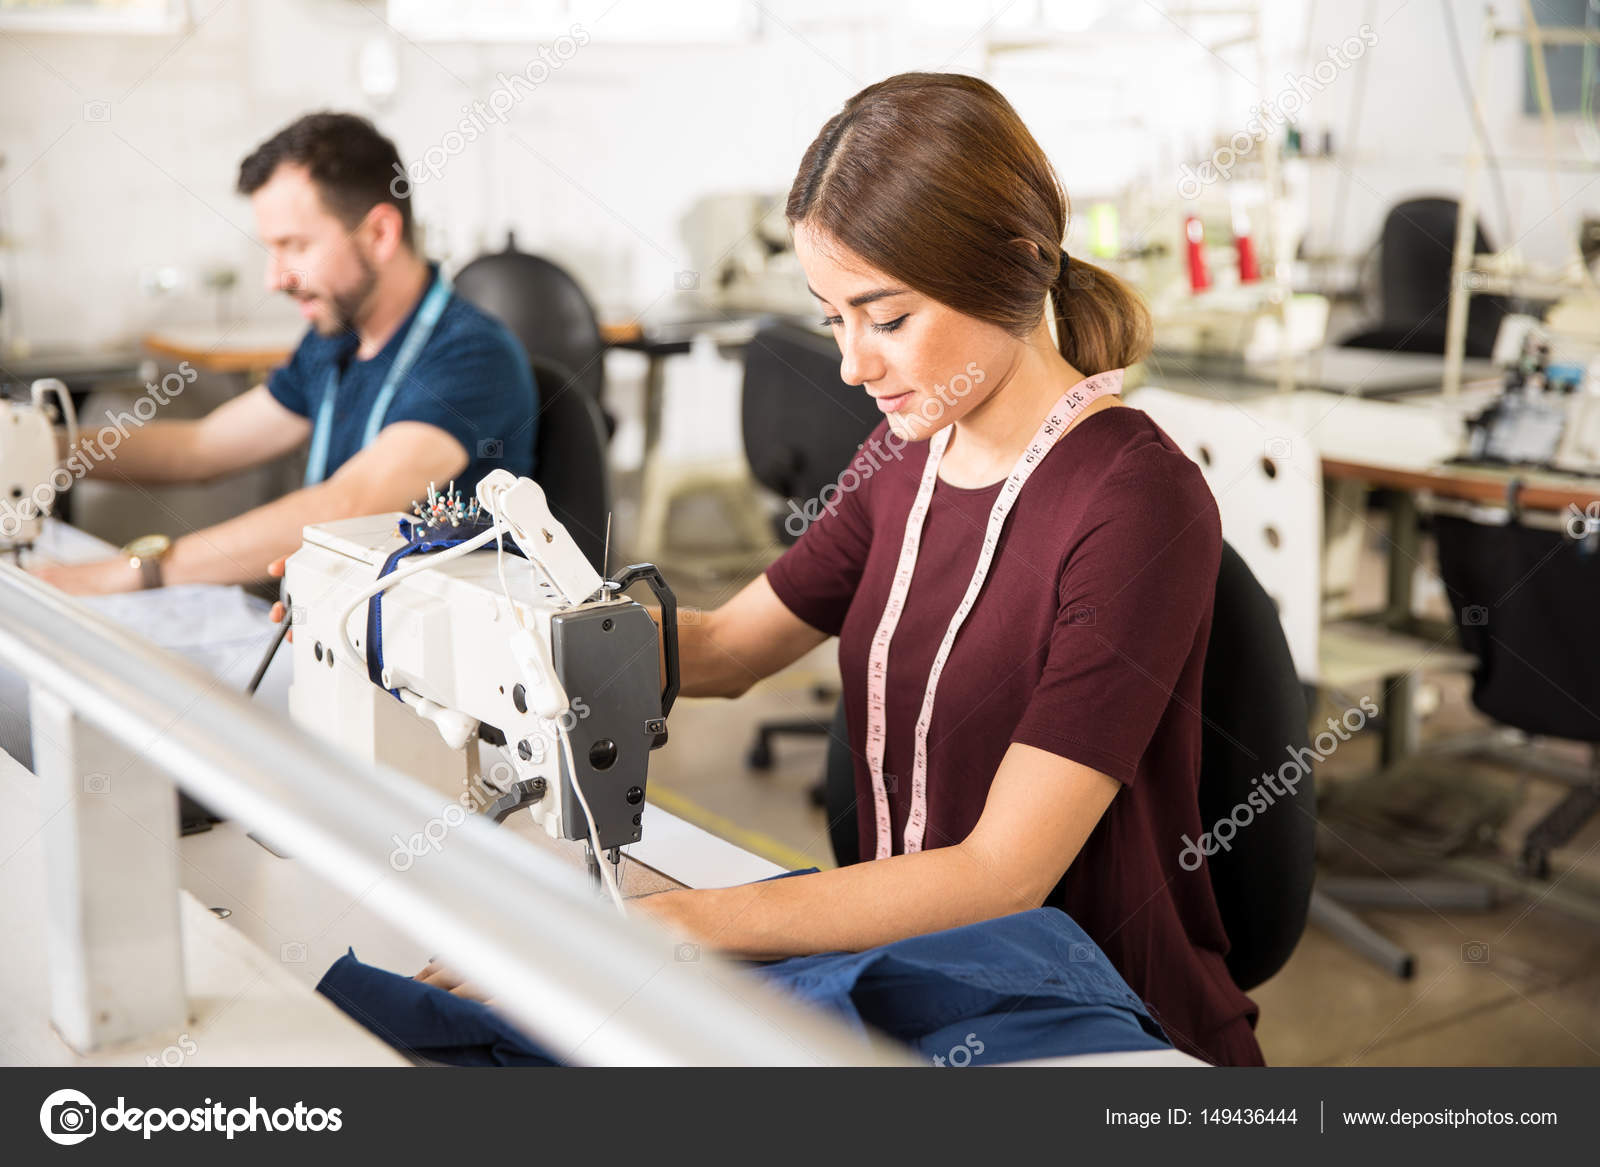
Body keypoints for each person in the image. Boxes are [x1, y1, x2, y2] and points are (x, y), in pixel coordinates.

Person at [421, 73, 1262, 1066]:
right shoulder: (907, 459)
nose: (852, 367)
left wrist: (683, 924)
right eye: (832, 318)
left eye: (886, 317)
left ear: (1018, 268)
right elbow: (731, 647)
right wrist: (496, 625)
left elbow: (1001, 876)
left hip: (1094, 1021)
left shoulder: (1133, 495)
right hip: (913, 973)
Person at [31, 112, 535, 595]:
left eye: (295, 245)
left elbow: (350, 503)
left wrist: (126, 574)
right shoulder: (334, 341)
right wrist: (37, 444)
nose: (275, 279)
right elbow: (201, 448)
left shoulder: (471, 356)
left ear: (380, 234)